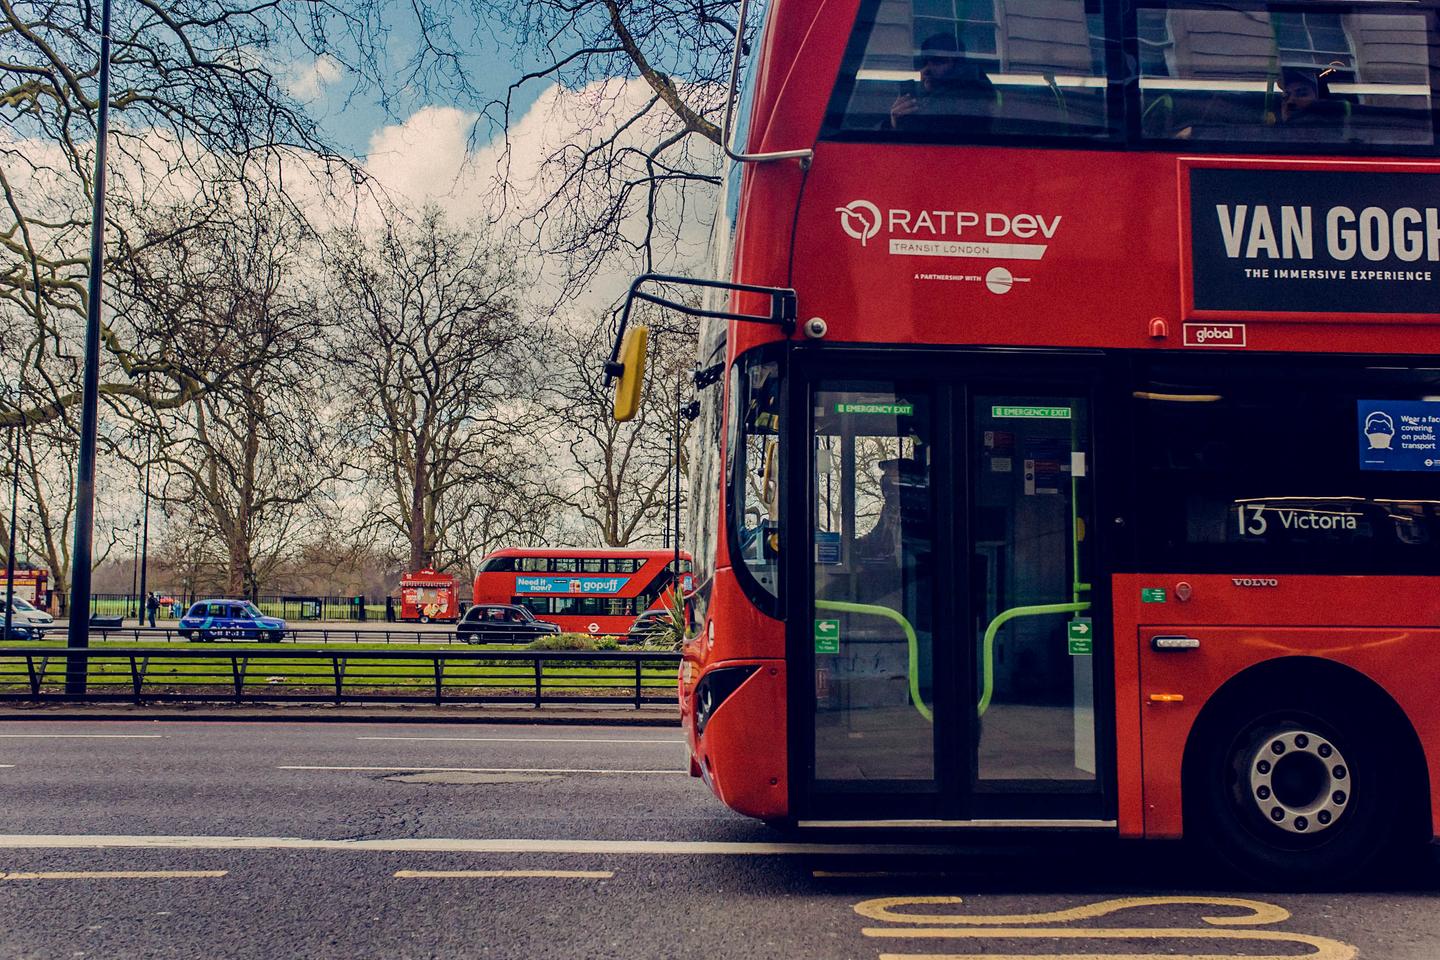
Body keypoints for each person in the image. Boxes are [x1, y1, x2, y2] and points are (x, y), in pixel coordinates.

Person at [888, 33, 996, 133]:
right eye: (924, 62)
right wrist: (895, 122)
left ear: (956, 65)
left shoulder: (969, 96)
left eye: (937, 60)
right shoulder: (922, 97)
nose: (927, 68)